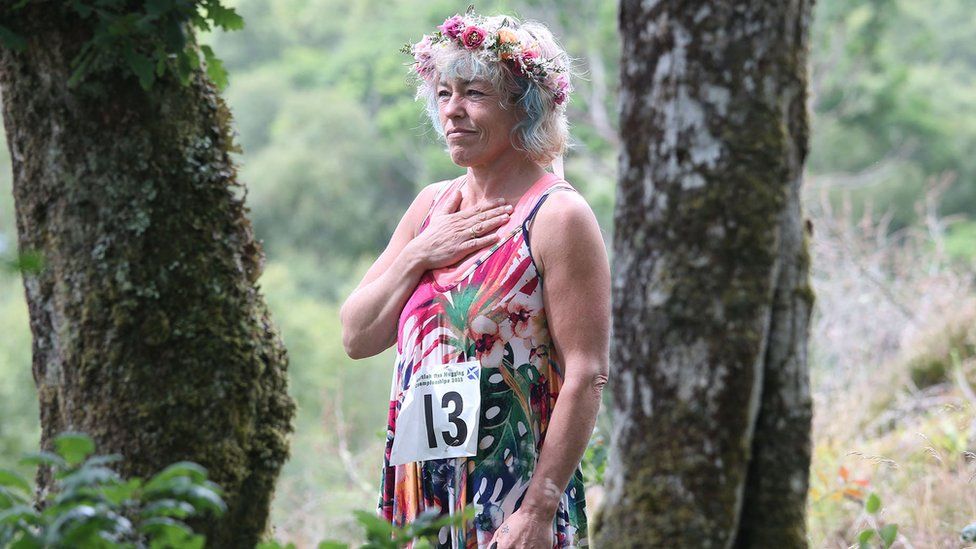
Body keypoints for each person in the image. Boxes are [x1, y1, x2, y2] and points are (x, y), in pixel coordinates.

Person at [339, 10, 610, 549]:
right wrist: (421, 252)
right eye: (443, 93)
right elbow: (357, 335)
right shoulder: (430, 207)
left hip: (512, 494)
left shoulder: (558, 217)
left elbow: (587, 373)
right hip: (422, 495)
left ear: (524, 107)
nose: (453, 111)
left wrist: (538, 508)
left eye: (475, 94)